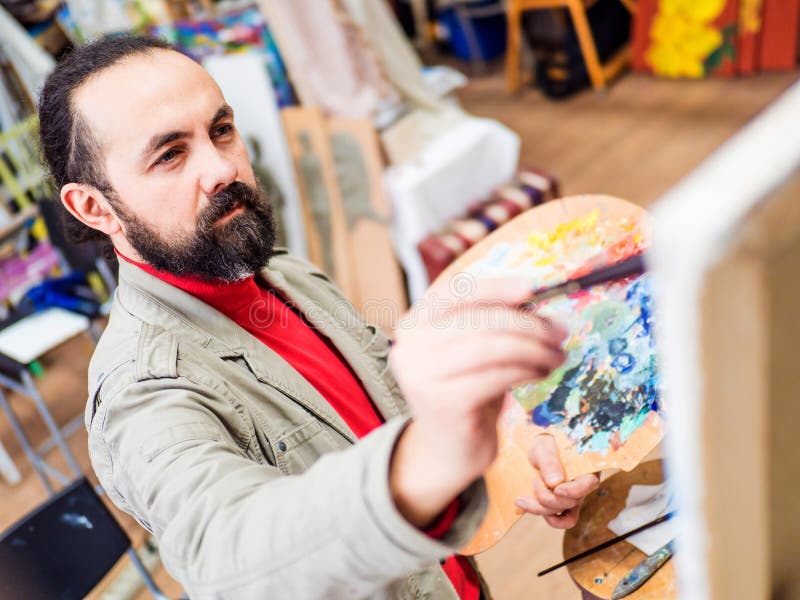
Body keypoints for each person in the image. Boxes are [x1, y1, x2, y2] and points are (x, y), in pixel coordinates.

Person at [38, 36, 599, 599]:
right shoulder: (141, 391)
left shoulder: (286, 277)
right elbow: (226, 552)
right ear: (94, 207)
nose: (221, 168)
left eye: (222, 130)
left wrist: (514, 447)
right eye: (169, 155)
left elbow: (392, 401)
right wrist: (431, 454)